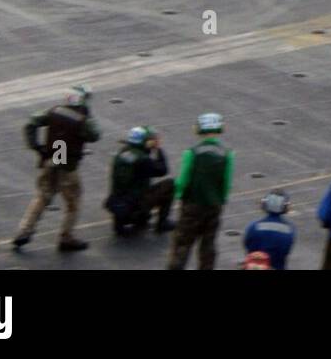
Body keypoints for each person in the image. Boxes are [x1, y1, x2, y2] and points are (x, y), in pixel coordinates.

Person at [13, 85, 101, 252]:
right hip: (68, 167)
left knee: (42, 197)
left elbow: (31, 123)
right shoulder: (81, 119)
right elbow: (95, 135)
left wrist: (36, 146)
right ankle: (66, 237)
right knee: (73, 202)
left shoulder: (54, 112)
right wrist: (88, 115)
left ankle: (24, 231)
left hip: (51, 160)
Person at [167, 112, 233, 270]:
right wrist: (221, 200)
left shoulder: (192, 153)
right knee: (208, 246)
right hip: (213, 206)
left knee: (182, 245)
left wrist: (179, 195)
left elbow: (183, 180)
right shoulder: (227, 154)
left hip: (191, 206)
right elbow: (226, 183)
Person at [105, 126, 174, 236]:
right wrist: (158, 149)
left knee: (130, 188)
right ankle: (162, 222)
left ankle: (124, 221)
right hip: (134, 205)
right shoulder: (143, 160)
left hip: (118, 204)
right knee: (169, 184)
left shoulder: (122, 153)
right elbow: (162, 170)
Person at [243, 191, 296, 270]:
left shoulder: (254, 226)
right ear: (285, 207)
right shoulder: (289, 230)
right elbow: (286, 250)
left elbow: (247, 245)